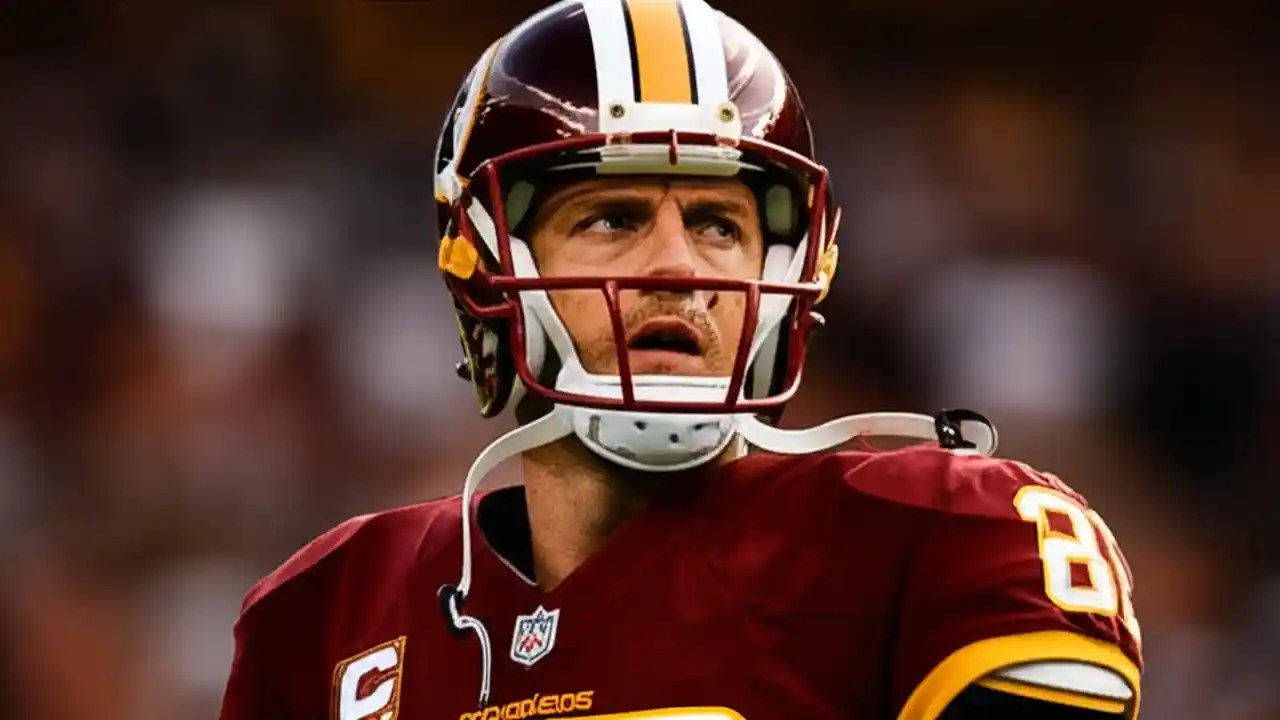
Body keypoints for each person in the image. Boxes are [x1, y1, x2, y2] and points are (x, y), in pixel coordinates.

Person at [218, 1, 1143, 718]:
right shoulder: (332, 612)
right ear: (490, 266)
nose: (678, 267)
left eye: (718, 225)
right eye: (613, 218)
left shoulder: (938, 537)